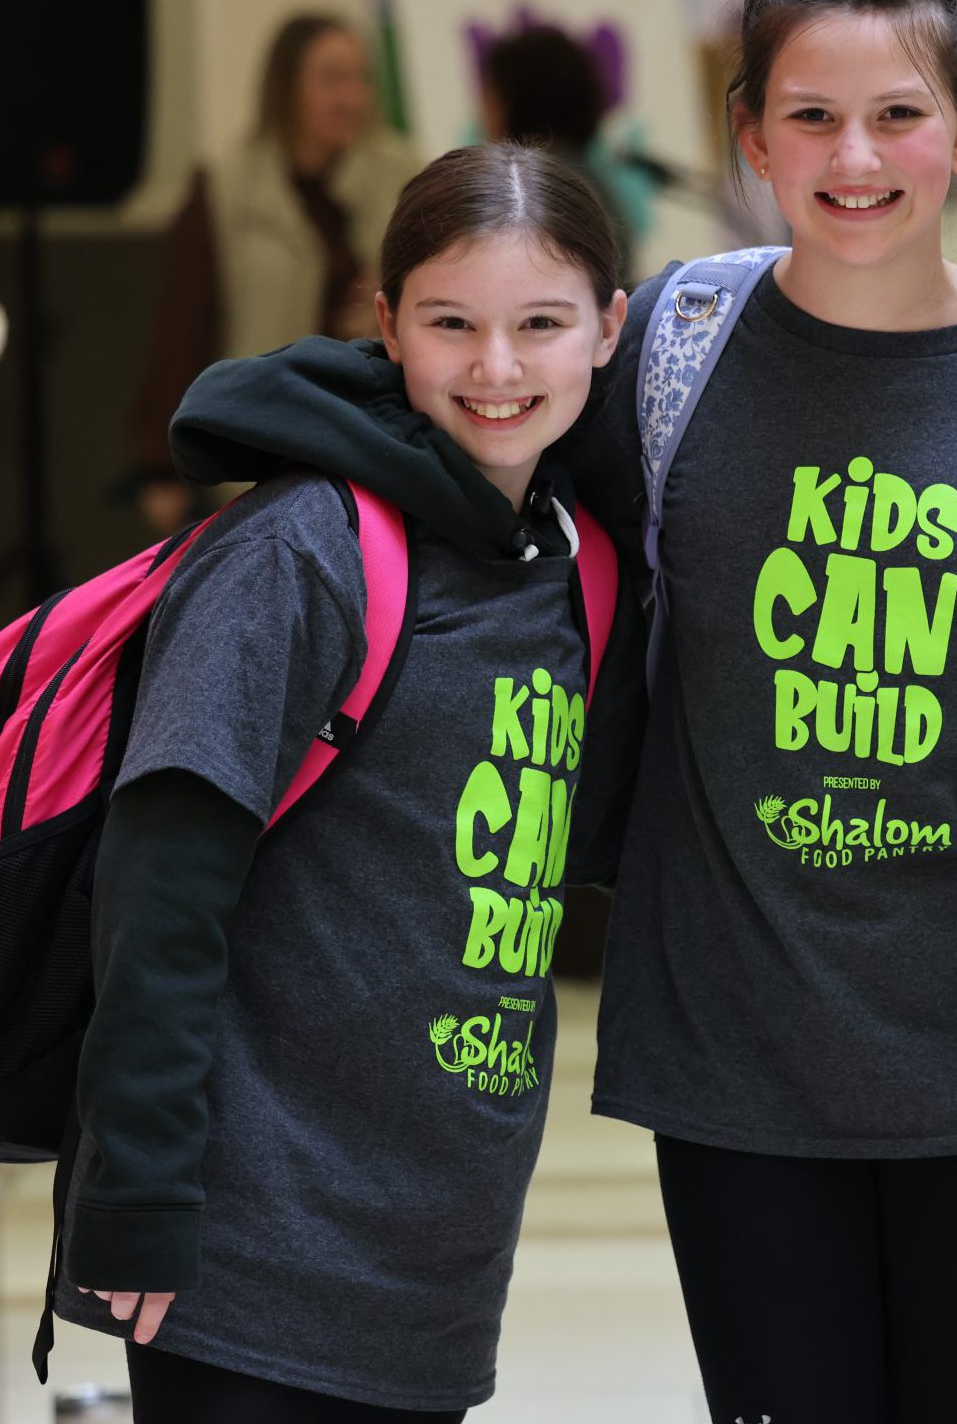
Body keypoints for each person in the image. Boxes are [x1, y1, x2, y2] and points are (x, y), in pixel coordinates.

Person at [566, 0, 957, 1424]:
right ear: (747, 134)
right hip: (736, 1056)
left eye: (898, 115)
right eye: (809, 113)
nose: (853, 154)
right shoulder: (673, 344)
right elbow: (463, 434)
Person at [59, 144, 643, 1422]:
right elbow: (158, 887)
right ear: (385, 325)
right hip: (248, 1243)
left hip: (438, 1248)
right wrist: (139, 1193)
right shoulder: (301, 552)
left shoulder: (580, 571)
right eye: (451, 324)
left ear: (607, 329)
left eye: (541, 324)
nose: (497, 367)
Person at [131, 12, 422, 535]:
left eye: (360, 78)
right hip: (264, 449)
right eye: (332, 79)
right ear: (286, 89)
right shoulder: (225, 187)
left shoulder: (405, 178)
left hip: (379, 447)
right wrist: (161, 465)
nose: (351, 97)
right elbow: (183, 327)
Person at [479, 22, 647, 281]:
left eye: (489, 98)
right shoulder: (591, 177)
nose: (482, 115)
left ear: (516, 101)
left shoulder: (529, 186)